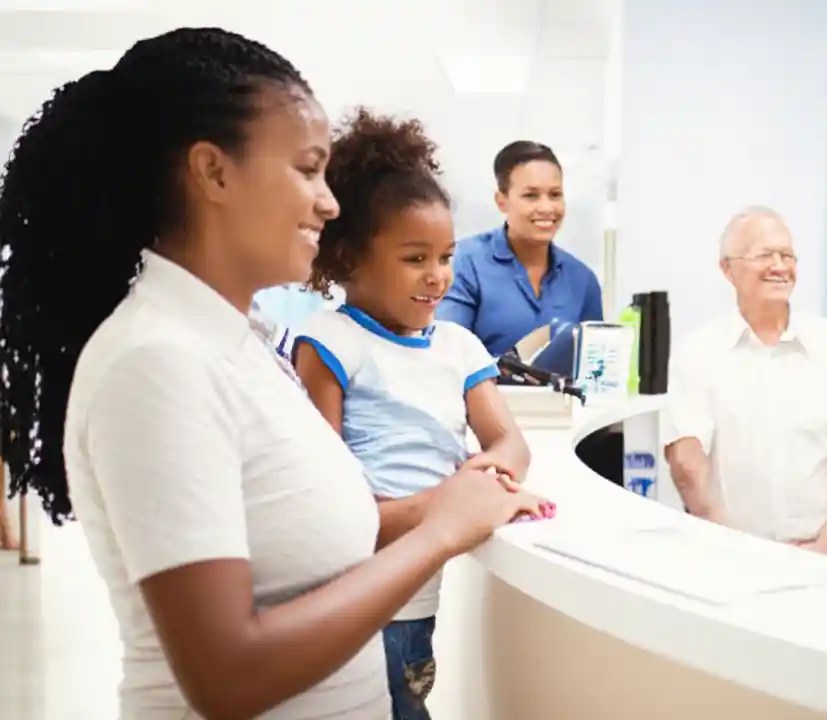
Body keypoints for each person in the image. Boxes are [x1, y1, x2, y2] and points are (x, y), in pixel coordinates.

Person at [0, 28, 547, 720]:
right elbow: (229, 677)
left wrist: (444, 507)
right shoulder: (156, 362)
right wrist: (442, 529)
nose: (330, 202)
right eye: (307, 169)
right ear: (214, 172)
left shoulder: (239, 345)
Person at [292, 108, 535, 720]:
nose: (438, 277)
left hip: (420, 592)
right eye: (414, 258)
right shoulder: (330, 343)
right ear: (346, 258)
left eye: (446, 256)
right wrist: (452, 502)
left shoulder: (459, 347)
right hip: (354, 589)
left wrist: (490, 476)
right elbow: (326, 500)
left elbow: (509, 440)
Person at [660, 207, 827, 561]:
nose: (780, 266)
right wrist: (736, 552)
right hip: (734, 561)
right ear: (727, 269)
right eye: (764, 255)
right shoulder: (698, 351)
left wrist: (825, 551)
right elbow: (687, 462)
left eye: (787, 255)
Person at [437, 140, 603, 357]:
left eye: (555, 195)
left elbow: (595, 366)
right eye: (531, 195)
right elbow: (447, 353)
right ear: (501, 201)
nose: (546, 208)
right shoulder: (465, 263)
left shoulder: (582, 279)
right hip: (482, 391)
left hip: (561, 392)